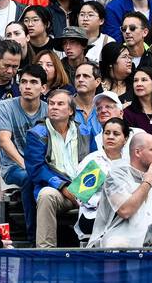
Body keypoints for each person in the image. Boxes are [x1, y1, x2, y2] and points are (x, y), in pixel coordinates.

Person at [26, 88, 101, 247]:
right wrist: (63, 187)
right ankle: (45, 252)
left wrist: (81, 190)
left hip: (84, 188)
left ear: (71, 111)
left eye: (60, 104)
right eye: (51, 104)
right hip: (56, 190)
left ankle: (100, 248)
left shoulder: (85, 131)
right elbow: (36, 169)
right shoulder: (37, 133)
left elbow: (96, 162)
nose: (54, 107)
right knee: (46, 195)